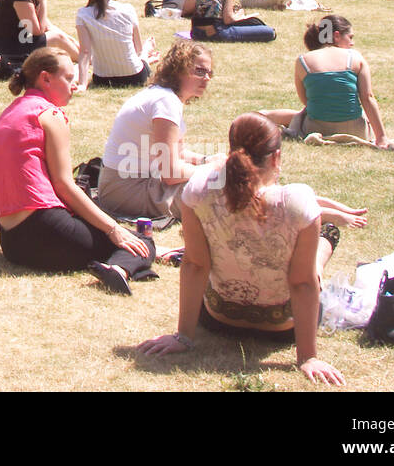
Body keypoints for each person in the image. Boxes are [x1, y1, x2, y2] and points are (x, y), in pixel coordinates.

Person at [137, 114, 348, 385]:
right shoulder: (299, 202)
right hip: (283, 328)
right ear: (276, 157)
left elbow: (195, 265)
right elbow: (303, 284)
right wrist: (307, 356)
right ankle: (321, 258)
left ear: (230, 150)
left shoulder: (198, 190)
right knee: (326, 239)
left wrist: (183, 336)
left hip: (220, 319)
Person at [0, 49, 154, 293]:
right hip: (48, 231)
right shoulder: (50, 114)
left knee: (119, 234)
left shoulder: (9, 115)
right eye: (68, 78)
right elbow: (64, 185)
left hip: (12, 244)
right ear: (46, 78)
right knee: (142, 240)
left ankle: (121, 261)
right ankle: (119, 269)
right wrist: (113, 229)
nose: (74, 85)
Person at [97, 40, 220, 218]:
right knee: (219, 190)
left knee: (218, 183)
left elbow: (177, 153)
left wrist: (207, 160)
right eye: (200, 71)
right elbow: (171, 173)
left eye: (210, 73)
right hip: (126, 190)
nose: (207, 78)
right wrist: (213, 169)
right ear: (179, 70)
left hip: (126, 185)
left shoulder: (165, 97)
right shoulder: (165, 101)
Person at [274, 16, 386, 144]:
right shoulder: (355, 57)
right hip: (356, 131)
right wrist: (381, 137)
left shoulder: (303, 60)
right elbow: (368, 98)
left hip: (314, 128)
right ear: (336, 35)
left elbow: (306, 100)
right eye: (350, 37)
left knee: (300, 115)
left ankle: (263, 116)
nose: (352, 43)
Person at [75, 0, 156, 89]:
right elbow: (138, 49)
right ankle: (149, 51)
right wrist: (145, 50)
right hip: (135, 75)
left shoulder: (83, 14)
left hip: (102, 79)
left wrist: (82, 84)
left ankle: (148, 54)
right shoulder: (128, 9)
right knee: (142, 56)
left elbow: (85, 51)